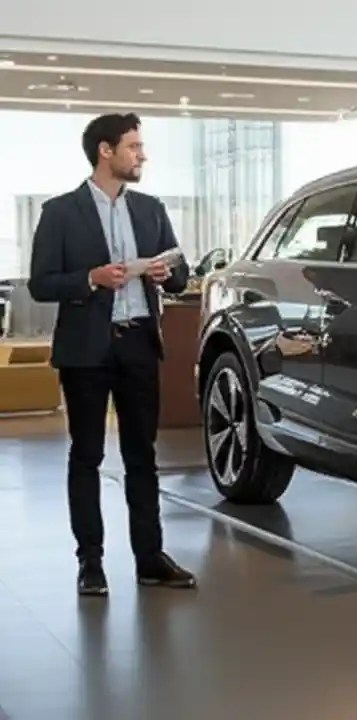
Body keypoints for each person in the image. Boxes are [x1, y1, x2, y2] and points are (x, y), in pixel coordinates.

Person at [27, 112, 197, 595]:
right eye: (134, 147)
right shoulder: (60, 212)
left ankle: (150, 558)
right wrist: (91, 278)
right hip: (85, 349)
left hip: (139, 342)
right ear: (106, 151)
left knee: (142, 455)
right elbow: (41, 283)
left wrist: (167, 274)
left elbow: (179, 273)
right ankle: (91, 562)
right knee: (86, 455)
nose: (142, 155)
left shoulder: (150, 209)